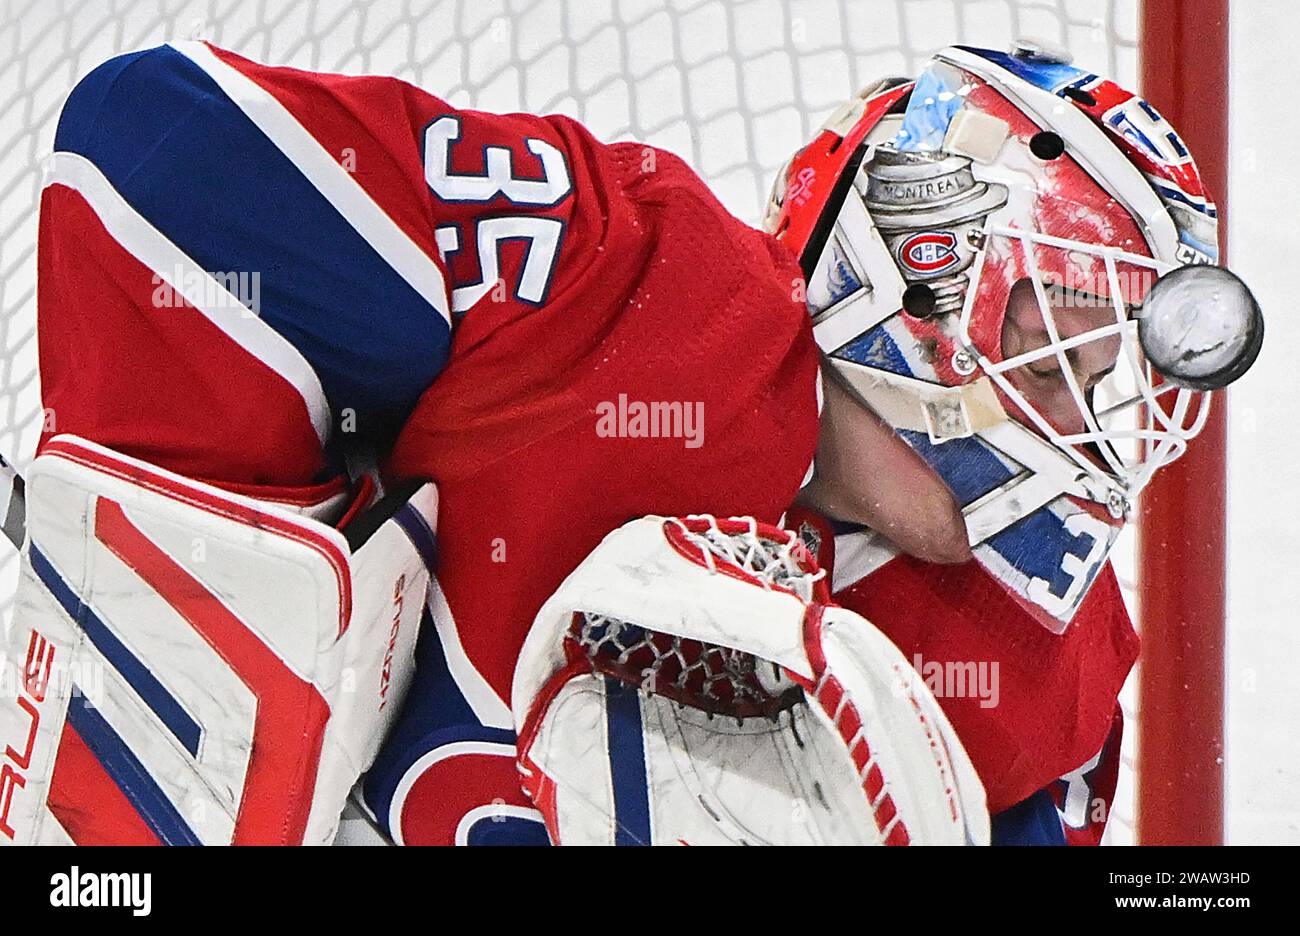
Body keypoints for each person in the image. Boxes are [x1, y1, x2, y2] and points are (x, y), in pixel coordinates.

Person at [23, 39, 1259, 844]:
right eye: (1062, 327)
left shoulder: (1043, 666)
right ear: (909, 258)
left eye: (1115, 372)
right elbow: (155, 154)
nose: (1091, 409)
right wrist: (230, 639)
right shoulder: (626, 280)